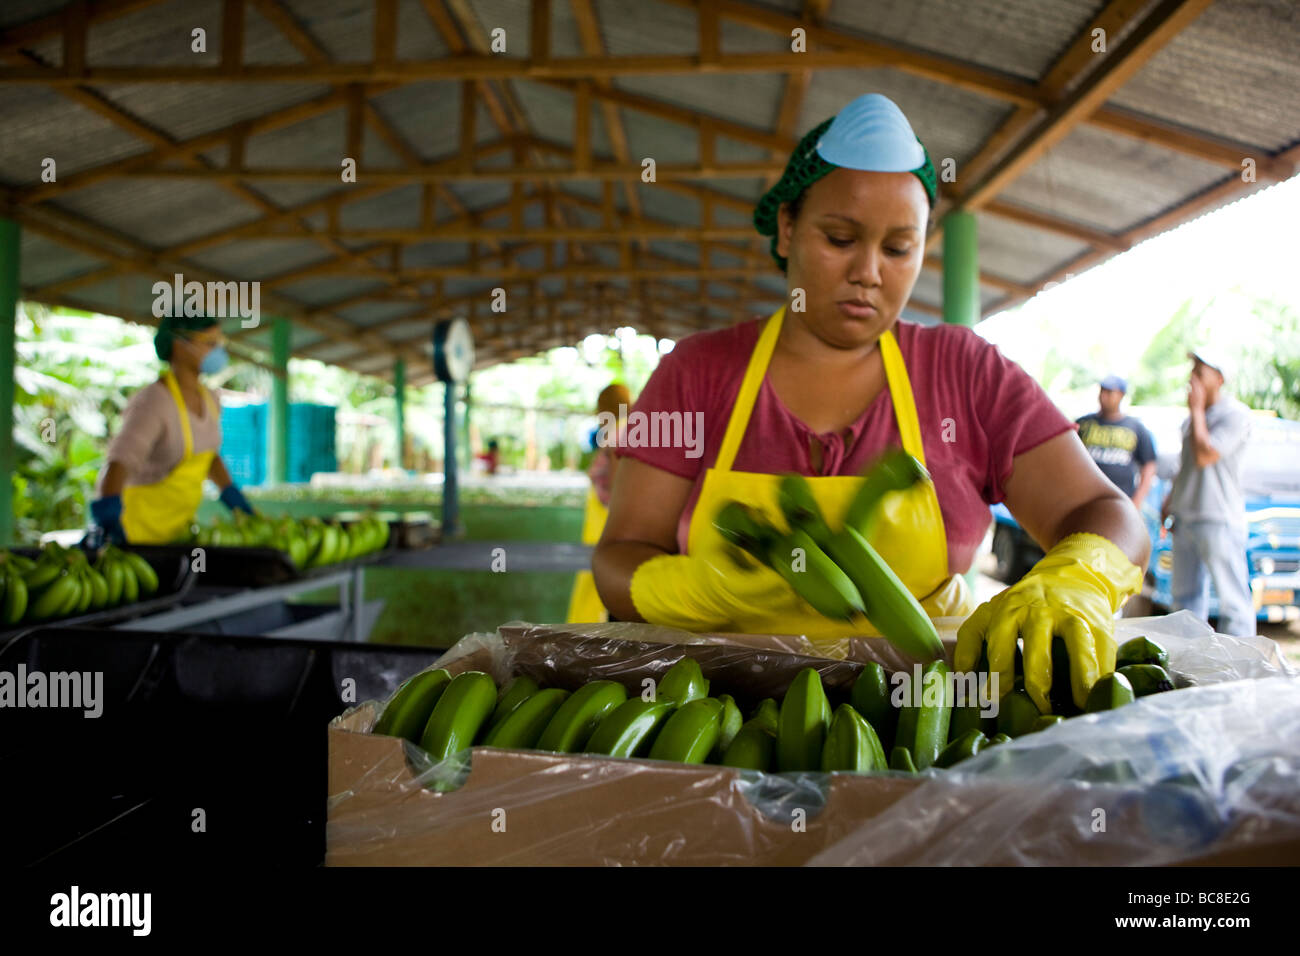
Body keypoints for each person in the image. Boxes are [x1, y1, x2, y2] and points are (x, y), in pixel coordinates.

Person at [592, 93, 1150, 715]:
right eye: (840, 237)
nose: (868, 271)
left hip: (932, 710)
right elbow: (617, 556)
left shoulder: (967, 372)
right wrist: (685, 589)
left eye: (897, 248)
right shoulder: (696, 373)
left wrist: (1074, 579)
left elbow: (1106, 510)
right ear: (786, 228)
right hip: (716, 710)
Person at [90, 315, 253, 545]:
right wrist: (107, 513)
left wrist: (232, 496)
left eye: (219, 343)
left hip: (176, 533)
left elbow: (207, 456)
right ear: (180, 344)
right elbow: (119, 462)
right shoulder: (155, 401)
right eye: (209, 342)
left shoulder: (211, 399)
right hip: (135, 531)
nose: (216, 350)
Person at [1160, 349, 1255, 637]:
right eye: (1193, 371)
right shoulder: (1191, 420)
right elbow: (1186, 466)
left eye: (1201, 372)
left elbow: (1205, 455)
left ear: (1220, 378)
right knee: (1184, 602)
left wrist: (1198, 410)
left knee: (1233, 602)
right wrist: (1169, 502)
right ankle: (1191, 664)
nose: (1194, 378)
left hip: (1218, 519)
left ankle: (1242, 668)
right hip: (1186, 518)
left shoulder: (1235, 415)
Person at [567, 383, 631, 623]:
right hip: (603, 524)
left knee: (598, 584)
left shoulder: (618, 433)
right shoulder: (629, 430)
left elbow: (617, 490)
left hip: (605, 526)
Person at [1076, 375, 1157, 508]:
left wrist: (1136, 502)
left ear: (1121, 395)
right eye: (1102, 391)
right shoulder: (1083, 424)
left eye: (1109, 392)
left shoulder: (1135, 428)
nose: (1103, 396)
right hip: (1085, 501)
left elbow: (1149, 465)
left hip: (1121, 502)